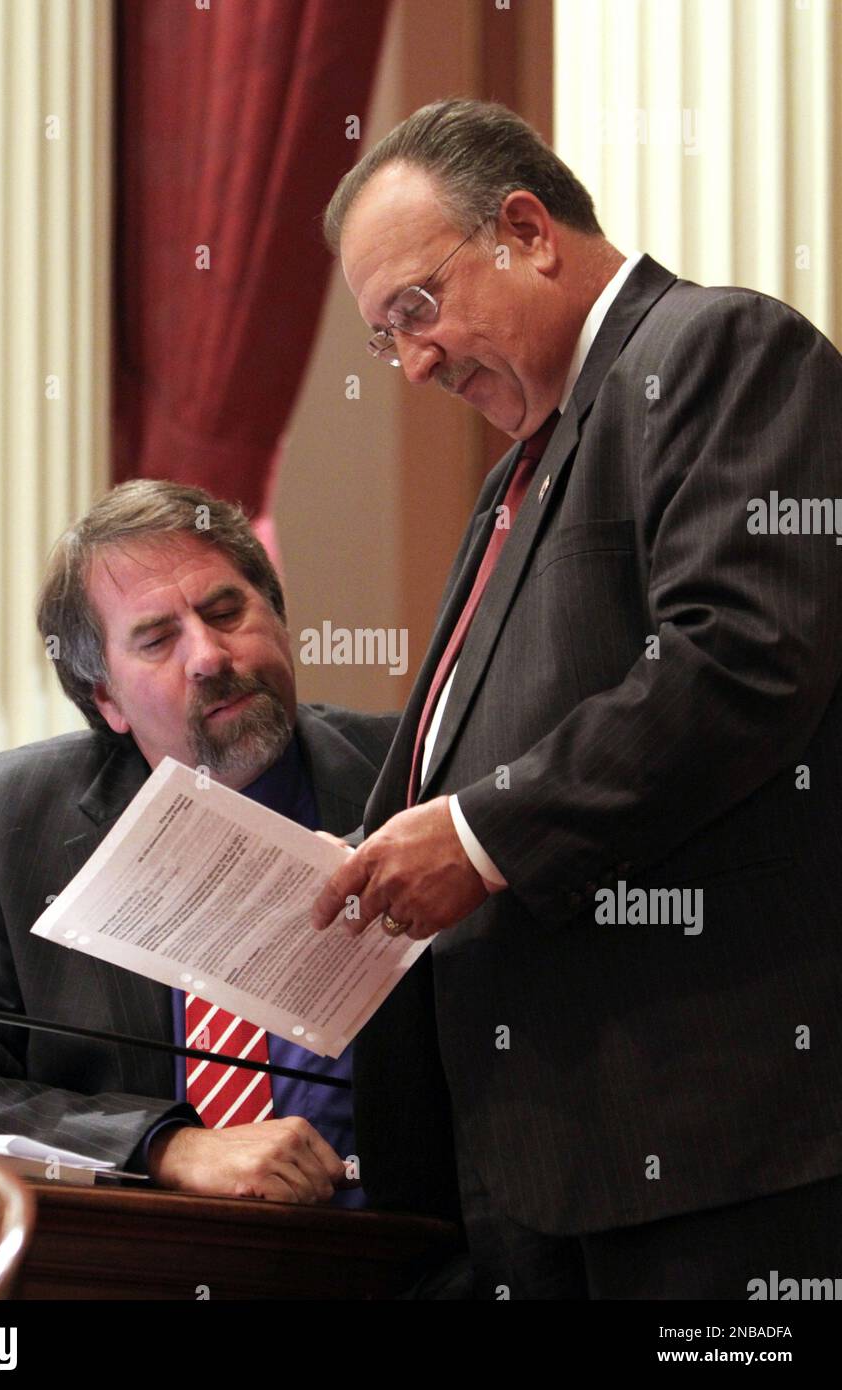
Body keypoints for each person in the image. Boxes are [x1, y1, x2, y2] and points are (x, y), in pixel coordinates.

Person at [312, 98, 842, 1295]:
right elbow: (465, 755)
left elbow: (742, 656)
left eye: (416, 308)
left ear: (524, 232)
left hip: (709, 1143)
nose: (413, 363)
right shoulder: (516, 472)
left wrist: (478, 837)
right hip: (534, 1157)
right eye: (384, 338)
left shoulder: (718, 349)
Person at [0, 481, 397, 1206]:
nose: (210, 656)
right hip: (142, 1257)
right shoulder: (6, 822)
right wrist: (162, 1145)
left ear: (279, 618)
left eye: (227, 612)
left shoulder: (411, 775)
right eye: (157, 640)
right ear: (106, 700)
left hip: (397, 1261)